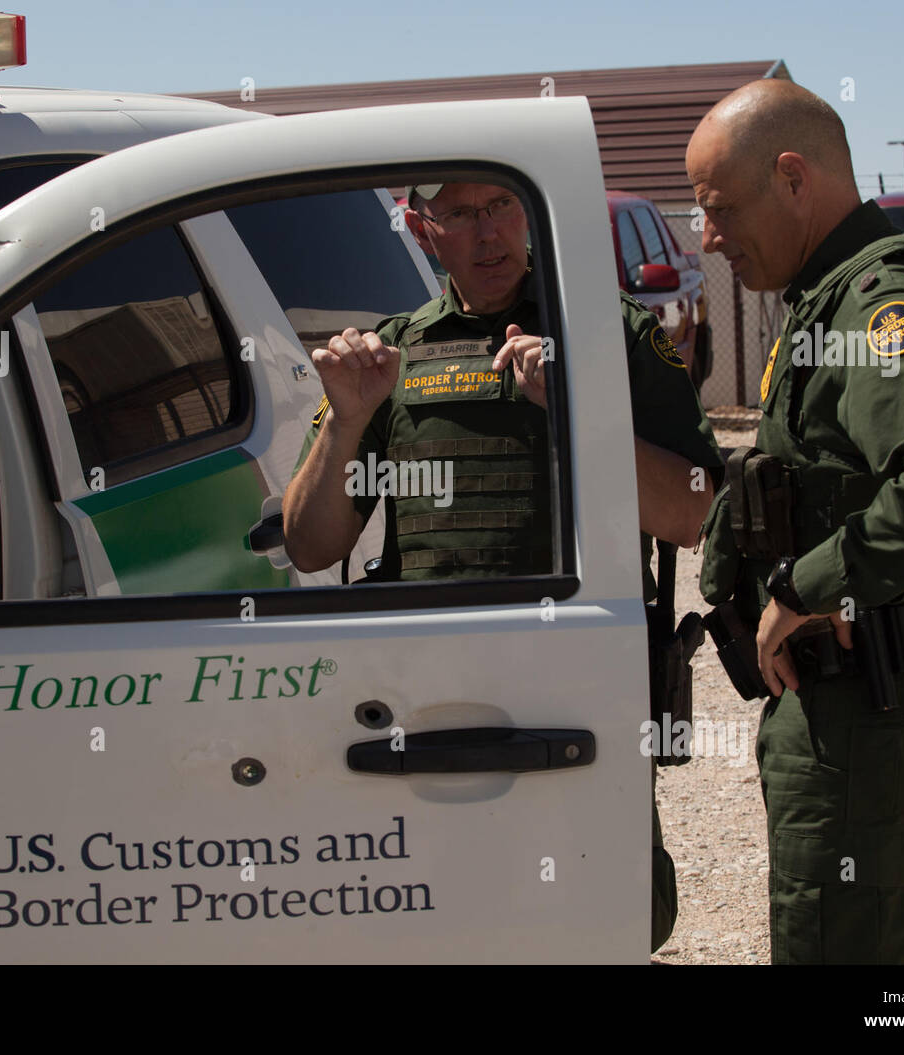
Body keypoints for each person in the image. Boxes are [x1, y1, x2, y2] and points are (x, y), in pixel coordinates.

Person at [282, 180, 721, 952]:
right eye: (459, 214)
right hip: (429, 695)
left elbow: (694, 514)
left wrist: (577, 411)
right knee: (442, 912)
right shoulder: (392, 350)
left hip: (578, 687)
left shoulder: (610, 334)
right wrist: (346, 421)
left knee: (600, 913)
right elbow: (311, 545)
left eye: (500, 207)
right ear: (424, 230)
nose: (487, 233)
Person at [687, 79, 904, 964]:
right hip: (850, 710)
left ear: (793, 178)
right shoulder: (826, 299)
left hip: (865, 712)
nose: (708, 236)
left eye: (721, 208)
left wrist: (810, 585)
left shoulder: (879, 299)